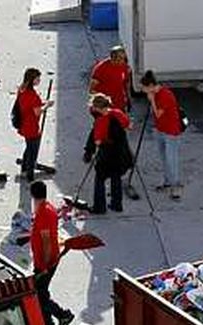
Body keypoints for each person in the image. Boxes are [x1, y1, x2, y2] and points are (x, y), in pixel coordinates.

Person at [30, 181, 74, 325]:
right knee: (42, 293)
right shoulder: (48, 208)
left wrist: (45, 268)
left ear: (33, 195)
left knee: (40, 295)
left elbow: (47, 242)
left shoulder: (43, 214)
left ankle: (63, 315)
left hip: (45, 263)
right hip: (47, 260)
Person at [83, 93, 132, 214]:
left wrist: (91, 151)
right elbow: (129, 125)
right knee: (116, 177)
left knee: (99, 179)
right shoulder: (117, 113)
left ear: (98, 108)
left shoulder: (101, 121)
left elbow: (98, 141)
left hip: (107, 154)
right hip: (121, 151)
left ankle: (99, 207)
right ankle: (117, 204)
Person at [140, 70, 183, 200]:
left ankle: (175, 186)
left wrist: (152, 100)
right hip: (160, 130)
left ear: (151, 86)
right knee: (164, 157)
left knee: (171, 159)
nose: (143, 90)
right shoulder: (156, 93)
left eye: (144, 88)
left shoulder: (165, 95)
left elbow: (158, 114)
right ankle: (167, 182)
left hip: (171, 132)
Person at [15, 68, 54, 182]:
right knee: (33, 151)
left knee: (28, 148)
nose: (39, 80)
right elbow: (37, 111)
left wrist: (43, 102)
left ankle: (24, 170)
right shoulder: (32, 94)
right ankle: (30, 176)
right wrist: (47, 106)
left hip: (24, 124)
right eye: (38, 78)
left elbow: (32, 105)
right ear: (32, 79)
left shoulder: (22, 90)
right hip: (32, 125)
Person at [89, 45, 132, 113]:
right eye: (120, 59)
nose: (122, 61)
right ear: (113, 58)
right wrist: (104, 103)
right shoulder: (100, 69)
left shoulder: (124, 66)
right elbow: (92, 90)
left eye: (124, 58)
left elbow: (126, 84)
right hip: (105, 109)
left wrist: (128, 99)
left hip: (120, 106)